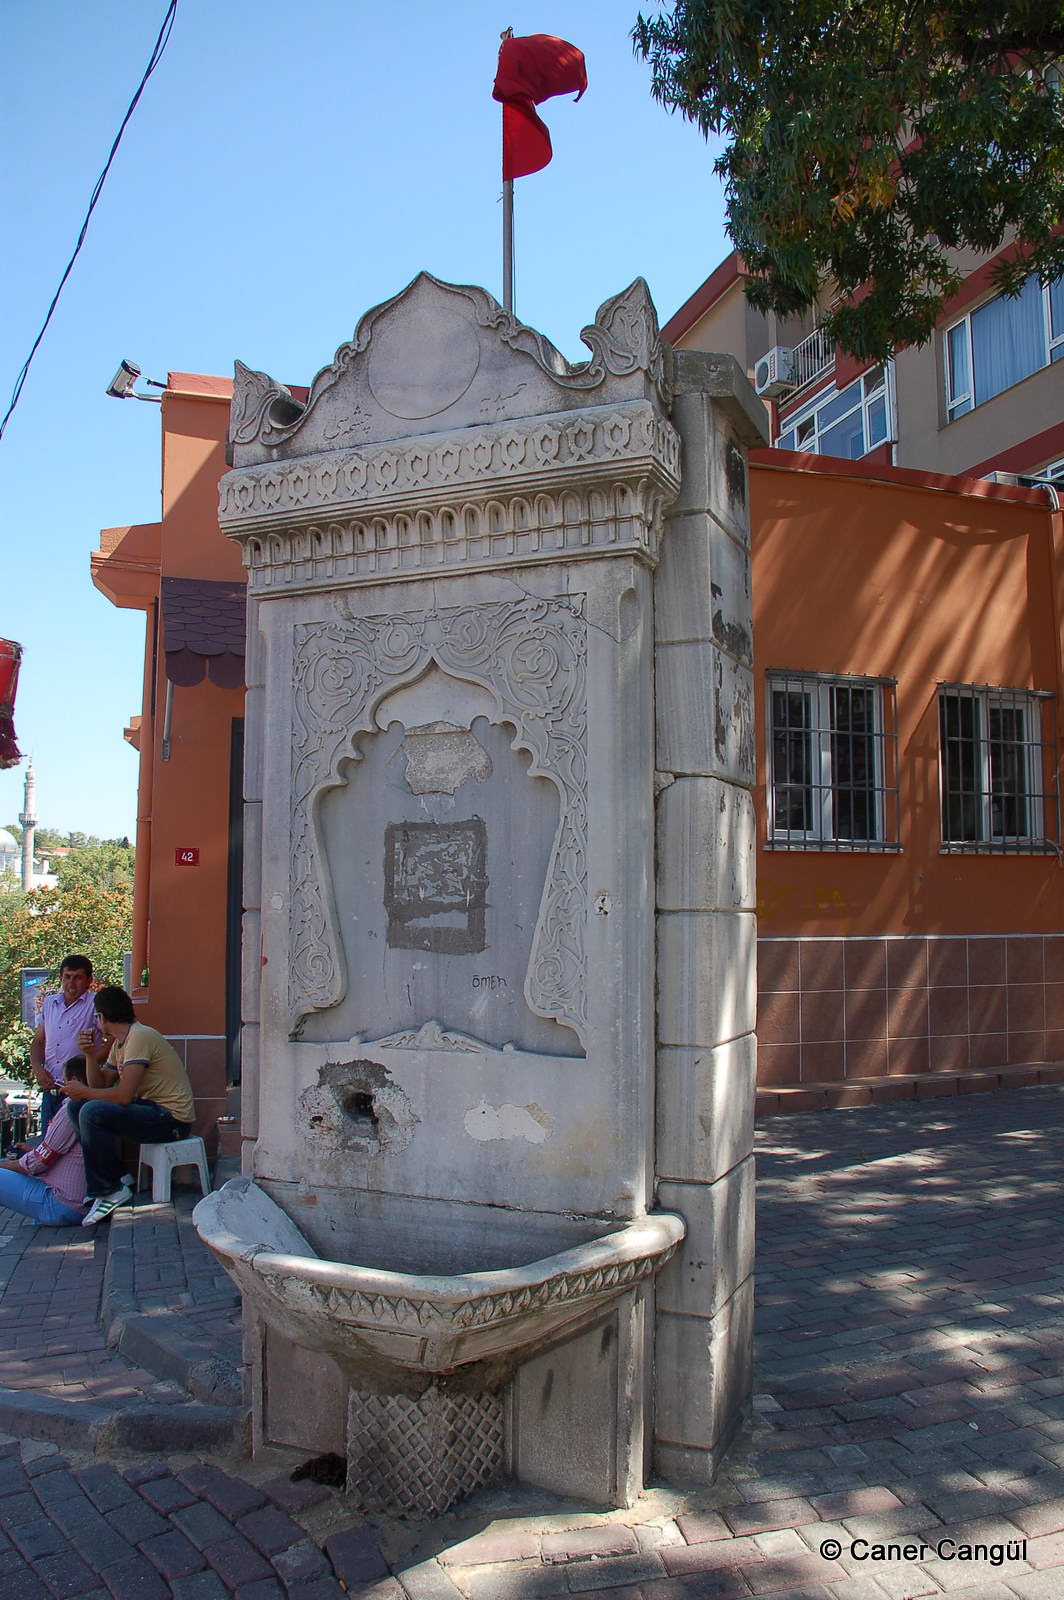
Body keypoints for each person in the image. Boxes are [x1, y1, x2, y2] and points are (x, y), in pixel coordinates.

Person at [65, 986, 196, 1227]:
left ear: (103, 1017)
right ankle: (117, 1177)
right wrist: (91, 1056)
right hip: (150, 1109)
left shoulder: (140, 1037)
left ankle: (108, 1189)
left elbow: (123, 1096)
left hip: (172, 1119)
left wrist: (84, 1091)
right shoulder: (120, 1044)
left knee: (92, 1110)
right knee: (77, 1107)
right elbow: (101, 1083)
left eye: (96, 1016)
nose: (96, 1021)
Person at [0, 1056, 91, 1225]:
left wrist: (4, 1165)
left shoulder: (71, 1109)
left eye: (63, 1081)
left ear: (74, 1080)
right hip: (80, 1202)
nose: (60, 1087)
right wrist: (31, 1151)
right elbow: (55, 1152)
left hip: (64, 1203)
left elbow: (38, 1163)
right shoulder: (94, 1105)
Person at [30, 954, 107, 1134]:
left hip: (80, 1091)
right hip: (52, 1089)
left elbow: (112, 1039)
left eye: (78, 978)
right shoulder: (49, 1003)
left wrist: (90, 1061)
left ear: (88, 980)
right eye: (67, 977)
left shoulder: (95, 1004)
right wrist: (37, 1069)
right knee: (47, 1145)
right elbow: (39, 1040)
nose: (71, 983)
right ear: (61, 978)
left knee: (76, 1148)